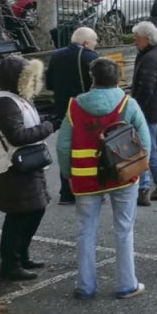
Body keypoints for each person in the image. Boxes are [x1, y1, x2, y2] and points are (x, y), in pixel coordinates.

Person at [57, 58, 151, 300]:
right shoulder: (127, 104)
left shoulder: (74, 107)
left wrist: (68, 174)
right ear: (118, 79)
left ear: (92, 78)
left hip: (85, 176)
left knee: (85, 230)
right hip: (122, 174)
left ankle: (85, 286)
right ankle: (127, 284)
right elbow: (145, 141)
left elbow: (63, 146)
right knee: (123, 229)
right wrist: (141, 169)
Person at [0, 55, 55, 281]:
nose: (34, 83)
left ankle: (20, 256)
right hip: (12, 167)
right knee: (19, 215)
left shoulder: (15, 98)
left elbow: (24, 124)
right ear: (18, 79)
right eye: (30, 78)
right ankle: (10, 265)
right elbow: (17, 135)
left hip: (26, 164)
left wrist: (46, 120)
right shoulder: (5, 102)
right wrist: (49, 126)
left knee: (36, 209)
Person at [45, 26, 98, 205]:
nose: (95, 45)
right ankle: (88, 188)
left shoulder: (56, 55)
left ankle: (66, 192)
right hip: (84, 110)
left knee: (66, 150)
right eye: (94, 42)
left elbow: (50, 84)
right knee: (88, 150)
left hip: (63, 110)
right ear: (85, 42)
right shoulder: (91, 58)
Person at [130, 22, 157, 206]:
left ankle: (145, 189)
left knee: (146, 149)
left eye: (136, 38)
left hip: (149, 110)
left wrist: (135, 108)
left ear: (146, 39)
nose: (134, 41)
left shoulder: (149, 57)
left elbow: (146, 86)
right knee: (151, 148)